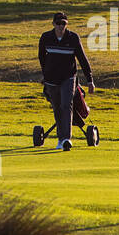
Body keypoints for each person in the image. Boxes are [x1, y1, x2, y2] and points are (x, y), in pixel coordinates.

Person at [38, 11, 95, 151]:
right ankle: (60, 139)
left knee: (66, 105)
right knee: (57, 107)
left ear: (66, 24)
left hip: (68, 78)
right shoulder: (46, 37)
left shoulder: (73, 38)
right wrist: (45, 74)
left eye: (63, 23)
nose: (60, 26)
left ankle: (66, 139)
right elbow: (41, 58)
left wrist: (90, 80)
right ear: (53, 24)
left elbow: (82, 59)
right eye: (58, 23)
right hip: (51, 79)